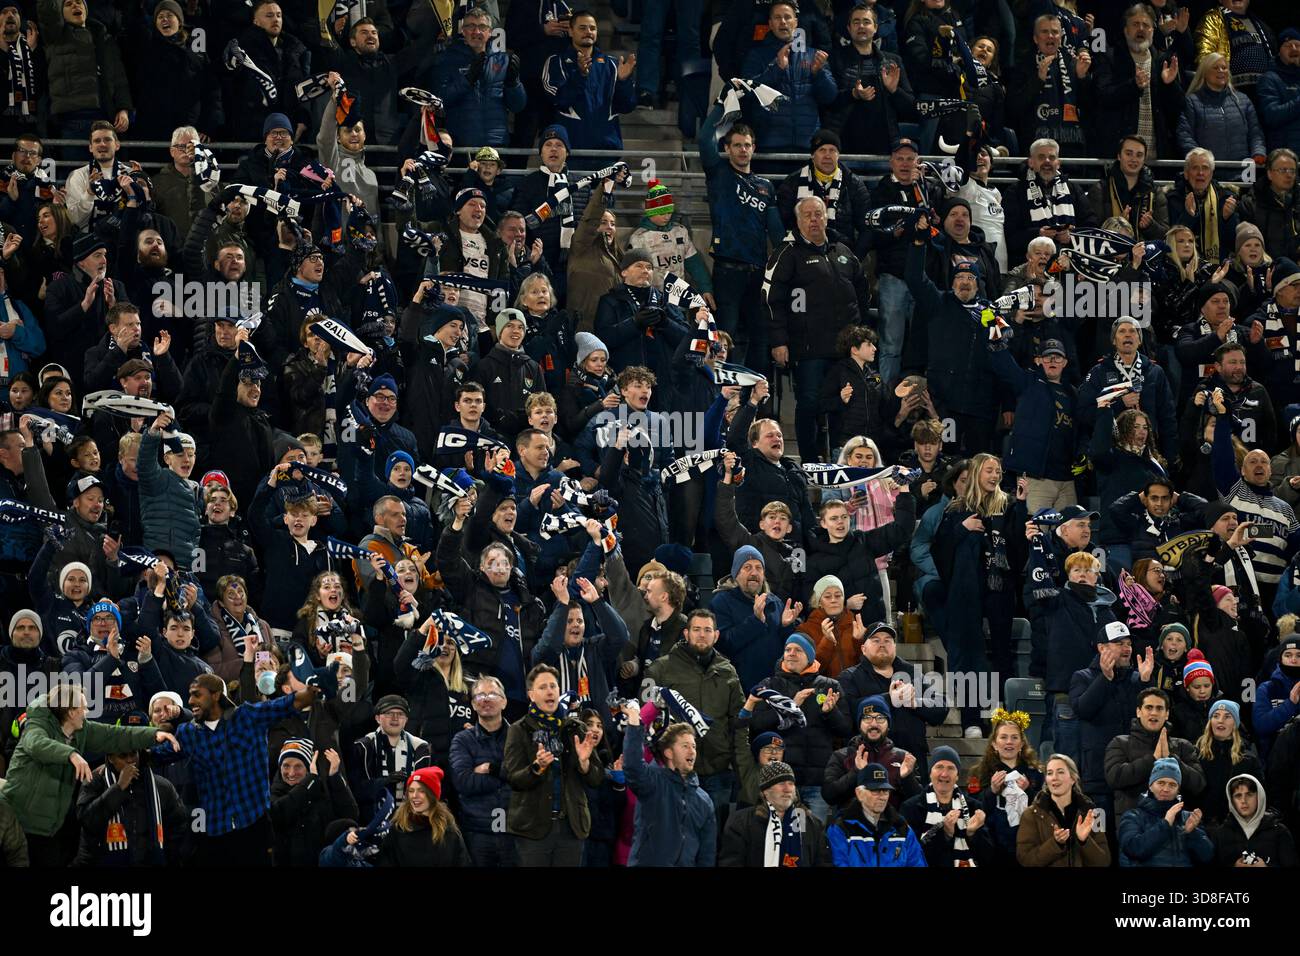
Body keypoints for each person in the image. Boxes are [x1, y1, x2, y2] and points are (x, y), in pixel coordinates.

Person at [4, 683, 179, 866]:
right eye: (84, 707)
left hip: (49, 829)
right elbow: (36, 744)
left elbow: (117, 735)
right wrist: (71, 754)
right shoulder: (37, 726)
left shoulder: (81, 730)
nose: (87, 711)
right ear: (71, 712)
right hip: (19, 823)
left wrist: (154, 734)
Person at [766, 196, 872, 462]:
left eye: (818, 214)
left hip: (844, 350)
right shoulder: (787, 253)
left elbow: (862, 288)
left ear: (826, 217)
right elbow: (770, 299)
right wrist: (779, 340)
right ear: (798, 221)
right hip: (808, 348)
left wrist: (858, 332)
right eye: (807, 216)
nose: (814, 220)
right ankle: (811, 462)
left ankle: (839, 458)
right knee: (810, 405)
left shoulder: (843, 251)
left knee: (844, 403)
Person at [697, 105, 784, 373]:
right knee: (725, 335)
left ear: (754, 148)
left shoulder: (766, 186)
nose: (742, 150)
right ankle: (721, 395)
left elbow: (776, 232)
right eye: (737, 145)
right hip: (727, 270)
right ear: (728, 147)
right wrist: (721, 107)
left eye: (747, 145)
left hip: (758, 272)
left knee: (760, 337)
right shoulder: (719, 174)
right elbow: (703, 139)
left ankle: (756, 397)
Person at [645, 608, 754, 814]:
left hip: (718, 771)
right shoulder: (661, 669)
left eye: (707, 630)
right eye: (696, 629)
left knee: (714, 839)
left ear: (716, 635)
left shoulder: (728, 672)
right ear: (686, 634)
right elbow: (646, 720)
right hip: (675, 772)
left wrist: (738, 766)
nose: (702, 634)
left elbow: (739, 724)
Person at [501, 663, 603, 866]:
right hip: (533, 829)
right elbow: (513, 779)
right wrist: (536, 767)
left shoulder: (577, 728)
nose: (550, 691)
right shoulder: (518, 730)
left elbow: (597, 778)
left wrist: (584, 765)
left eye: (553, 686)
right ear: (531, 694)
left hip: (570, 828)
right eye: (543, 687)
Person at [620, 704, 715, 867]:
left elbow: (707, 854)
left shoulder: (704, 800)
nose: (692, 751)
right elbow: (632, 767)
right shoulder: (653, 782)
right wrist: (635, 724)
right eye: (685, 746)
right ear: (668, 753)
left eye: (694, 746)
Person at [1092, 9, 1185, 163]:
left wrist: (1170, 85)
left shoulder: (1162, 61)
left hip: (1156, 156)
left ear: (1153, 31)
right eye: (1135, 24)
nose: (1141, 29)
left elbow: (1179, 109)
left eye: (1146, 25)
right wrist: (1133, 86)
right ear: (1126, 30)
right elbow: (1102, 96)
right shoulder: (1109, 57)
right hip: (1119, 155)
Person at [540, 10, 636, 154]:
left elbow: (626, 107)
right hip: (570, 152)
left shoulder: (613, 65)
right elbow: (559, 101)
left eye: (592, 28)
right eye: (582, 28)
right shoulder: (556, 62)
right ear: (571, 31)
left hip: (607, 152)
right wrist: (580, 76)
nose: (588, 32)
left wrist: (623, 82)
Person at [1105, 687, 1207, 818]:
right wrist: (1153, 759)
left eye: (1159, 708)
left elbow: (1198, 784)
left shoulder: (1183, 745)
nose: (1154, 713)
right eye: (1149, 707)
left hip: (1176, 826)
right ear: (1138, 711)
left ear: (1167, 714)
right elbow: (1115, 778)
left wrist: (1171, 759)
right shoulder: (1120, 743)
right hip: (1134, 824)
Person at [827, 4, 915, 156]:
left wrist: (894, 91)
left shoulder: (893, 61)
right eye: (856, 22)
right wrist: (853, 94)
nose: (861, 26)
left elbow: (911, 107)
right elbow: (827, 101)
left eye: (866, 22)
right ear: (848, 28)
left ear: (876, 28)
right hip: (845, 144)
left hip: (885, 145)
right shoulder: (835, 59)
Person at [448, 675, 515, 867]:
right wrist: (507, 775)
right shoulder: (462, 740)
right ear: (473, 704)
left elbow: (527, 777)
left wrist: (489, 769)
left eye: (493, 694)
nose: (486, 699)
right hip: (476, 833)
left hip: (515, 831)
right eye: (480, 695)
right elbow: (464, 782)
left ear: (504, 702)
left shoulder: (519, 737)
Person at [720, 760, 832, 867]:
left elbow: (822, 862)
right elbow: (731, 862)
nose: (787, 789)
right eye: (781, 783)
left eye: (791, 783)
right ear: (765, 791)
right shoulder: (741, 822)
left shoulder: (811, 824)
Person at [900, 744, 994, 867]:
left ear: (957, 776)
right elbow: (911, 856)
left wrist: (972, 834)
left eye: (951, 768)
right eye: (939, 767)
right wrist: (945, 835)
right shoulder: (911, 808)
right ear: (930, 773)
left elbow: (988, 857)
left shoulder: (974, 808)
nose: (944, 774)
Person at [1118, 757, 1215, 866]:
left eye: (1172, 785)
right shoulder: (1133, 816)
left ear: (1178, 790)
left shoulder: (1189, 818)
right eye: (1161, 783)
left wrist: (1192, 833)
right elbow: (1133, 850)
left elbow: (1207, 857)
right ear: (1150, 786)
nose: (1166, 789)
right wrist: (1165, 823)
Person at [1016, 754, 1110, 866]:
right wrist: (1055, 844)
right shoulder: (1030, 814)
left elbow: (1104, 862)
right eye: (1050, 773)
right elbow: (1026, 860)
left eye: (1060, 772)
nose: (1054, 777)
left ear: (1073, 779)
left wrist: (1084, 841)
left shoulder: (1096, 813)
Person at [827, 762, 927, 867]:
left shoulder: (902, 828)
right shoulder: (841, 829)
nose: (882, 797)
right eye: (876, 791)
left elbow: (917, 862)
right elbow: (838, 863)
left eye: (885, 791)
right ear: (859, 793)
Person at [1178, 53, 1267, 164]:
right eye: (1215, 68)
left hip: (1242, 172)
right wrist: (1200, 159)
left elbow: (1255, 133)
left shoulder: (1243, 100)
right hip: (1208, 173)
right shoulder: (1192, 101)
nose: (1220, 70)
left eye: (1224, 68)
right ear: (1204, 73)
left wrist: (1258, 152)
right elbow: (1185, 135)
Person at [374, 766, 472, 866]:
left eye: (421, 791)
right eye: (411, 791)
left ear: (432, 795)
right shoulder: (397, 830)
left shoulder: (450, 833)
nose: (414, 795)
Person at [1211, 773, 1298, 866]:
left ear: (1259, 797)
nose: (1243, 800)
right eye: (1238, 796)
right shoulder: (1220, 834)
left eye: (1249, 794)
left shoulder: (1279, 831)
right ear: (1231, 801)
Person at [1259, 31, 1300, 152]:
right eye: (1287, 46)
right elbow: (1271, 116)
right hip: (1287, 154)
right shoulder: (1269, 79)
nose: (1294, 49)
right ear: (1279, 52)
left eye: (1297, 45)